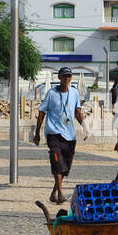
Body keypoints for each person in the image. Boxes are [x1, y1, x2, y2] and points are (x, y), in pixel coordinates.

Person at [33, 67, 85, 204]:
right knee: (57, 163)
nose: (67, 79)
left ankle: (54, 192)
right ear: (59, 78)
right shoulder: (51, 93)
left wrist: (85, 127)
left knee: (65, 168)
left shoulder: (74, 93)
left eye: (69, 76)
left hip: (70, 136)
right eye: (64, 76)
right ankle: (61, 194)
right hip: (54, 134)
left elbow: (77, 112)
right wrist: (37, 133)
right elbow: (41, 112)